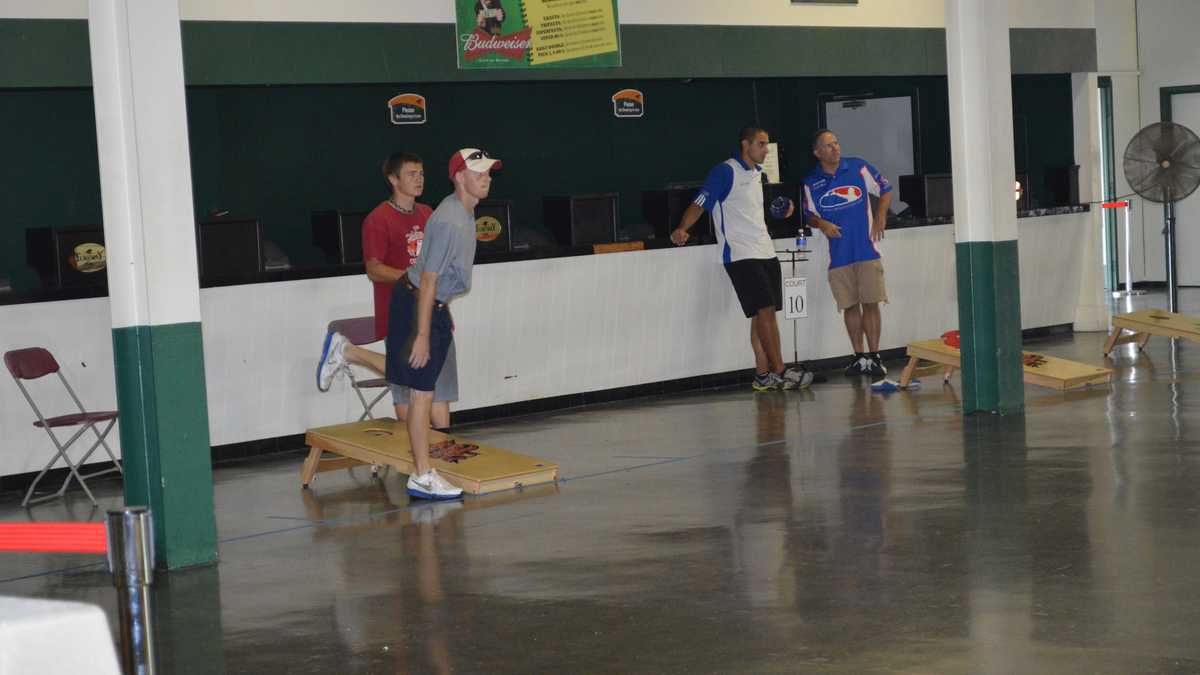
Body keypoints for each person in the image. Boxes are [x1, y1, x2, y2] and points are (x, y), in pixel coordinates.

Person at [386, 147, 500, 500]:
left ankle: (347, 352)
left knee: (422, 382)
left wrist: (438, 314)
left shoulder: (464, 211)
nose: (487, 178)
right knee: (421, 393)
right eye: (479, 173)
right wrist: (423, 333)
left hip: (429, 303)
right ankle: (421, 475)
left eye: (489, 172)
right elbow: (429, 278)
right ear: (459, 177)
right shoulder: (450, 219)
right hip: (418, 301)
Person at [315, 152, 455, 431]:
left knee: (440, 399)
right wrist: (412, 280)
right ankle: (349, 351)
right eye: (412, 174)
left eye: (422, 173)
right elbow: (374, 269)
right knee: (408, 396)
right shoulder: (378, 219)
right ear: (393, 179)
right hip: (402, 314)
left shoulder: (428, 213)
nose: (419, 179)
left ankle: (439, 453)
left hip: (434, 311)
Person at [671, 126, 814, 392]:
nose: (766, 149)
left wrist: (783, 209)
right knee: (765, 311)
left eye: (767, 144)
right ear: (745, 145)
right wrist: (683, 228)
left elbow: (755, 211)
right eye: (761, 144)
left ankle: (763, 375)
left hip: (765, 250)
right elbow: (700, 202)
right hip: (740, 254)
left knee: (763, 316)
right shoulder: (725, 172)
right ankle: (781, 371)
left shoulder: (759, 174)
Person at [802, 129, 893, 378]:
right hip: (839, 256)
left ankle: (875, 357)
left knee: (871, 303)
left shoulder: (857, 167)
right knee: (850, 306)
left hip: (867, 250)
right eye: (828, 146)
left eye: (836, 143)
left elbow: (885, 188)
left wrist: (881, 216)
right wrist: (822, 224)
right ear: (817, 152)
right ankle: (858, 357)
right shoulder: (810, 182)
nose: (835, 148)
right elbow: (808, 215)